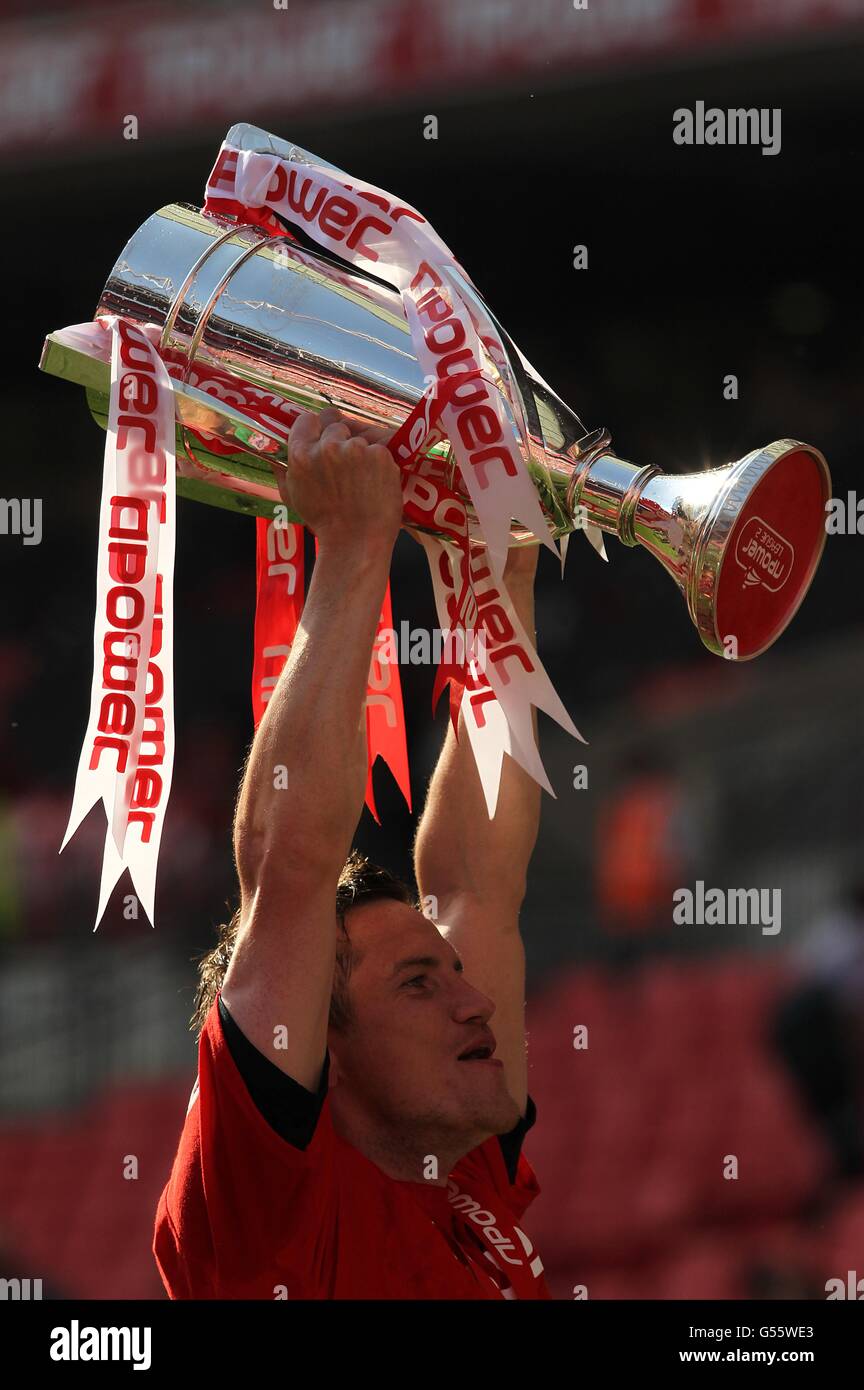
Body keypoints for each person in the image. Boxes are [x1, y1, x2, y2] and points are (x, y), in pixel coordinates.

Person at [153, 407, 551, 1299]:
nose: (474, 998)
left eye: (445, 973)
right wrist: (353, 547)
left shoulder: (461, 1173)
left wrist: (499, 592)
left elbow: (479, 889)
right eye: (419, 982)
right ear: (315, 1046)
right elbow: (287, 871)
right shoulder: (275, 1212)